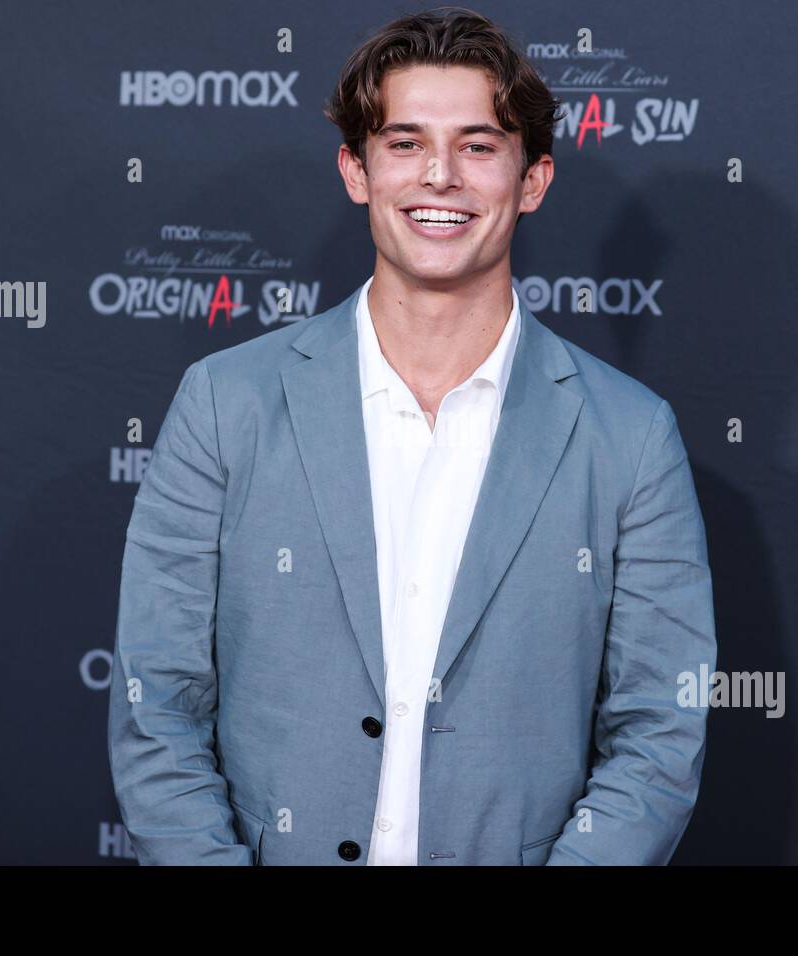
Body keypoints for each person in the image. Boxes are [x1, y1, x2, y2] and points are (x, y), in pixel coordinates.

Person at [107, 6, 716, 866]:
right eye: (404, 144)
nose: (440, 176)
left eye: (477, 145)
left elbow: (658, 736)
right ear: (356, 171)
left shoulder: (632, 436)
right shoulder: (224, 403)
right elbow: (155, 707)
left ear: (532, 179)